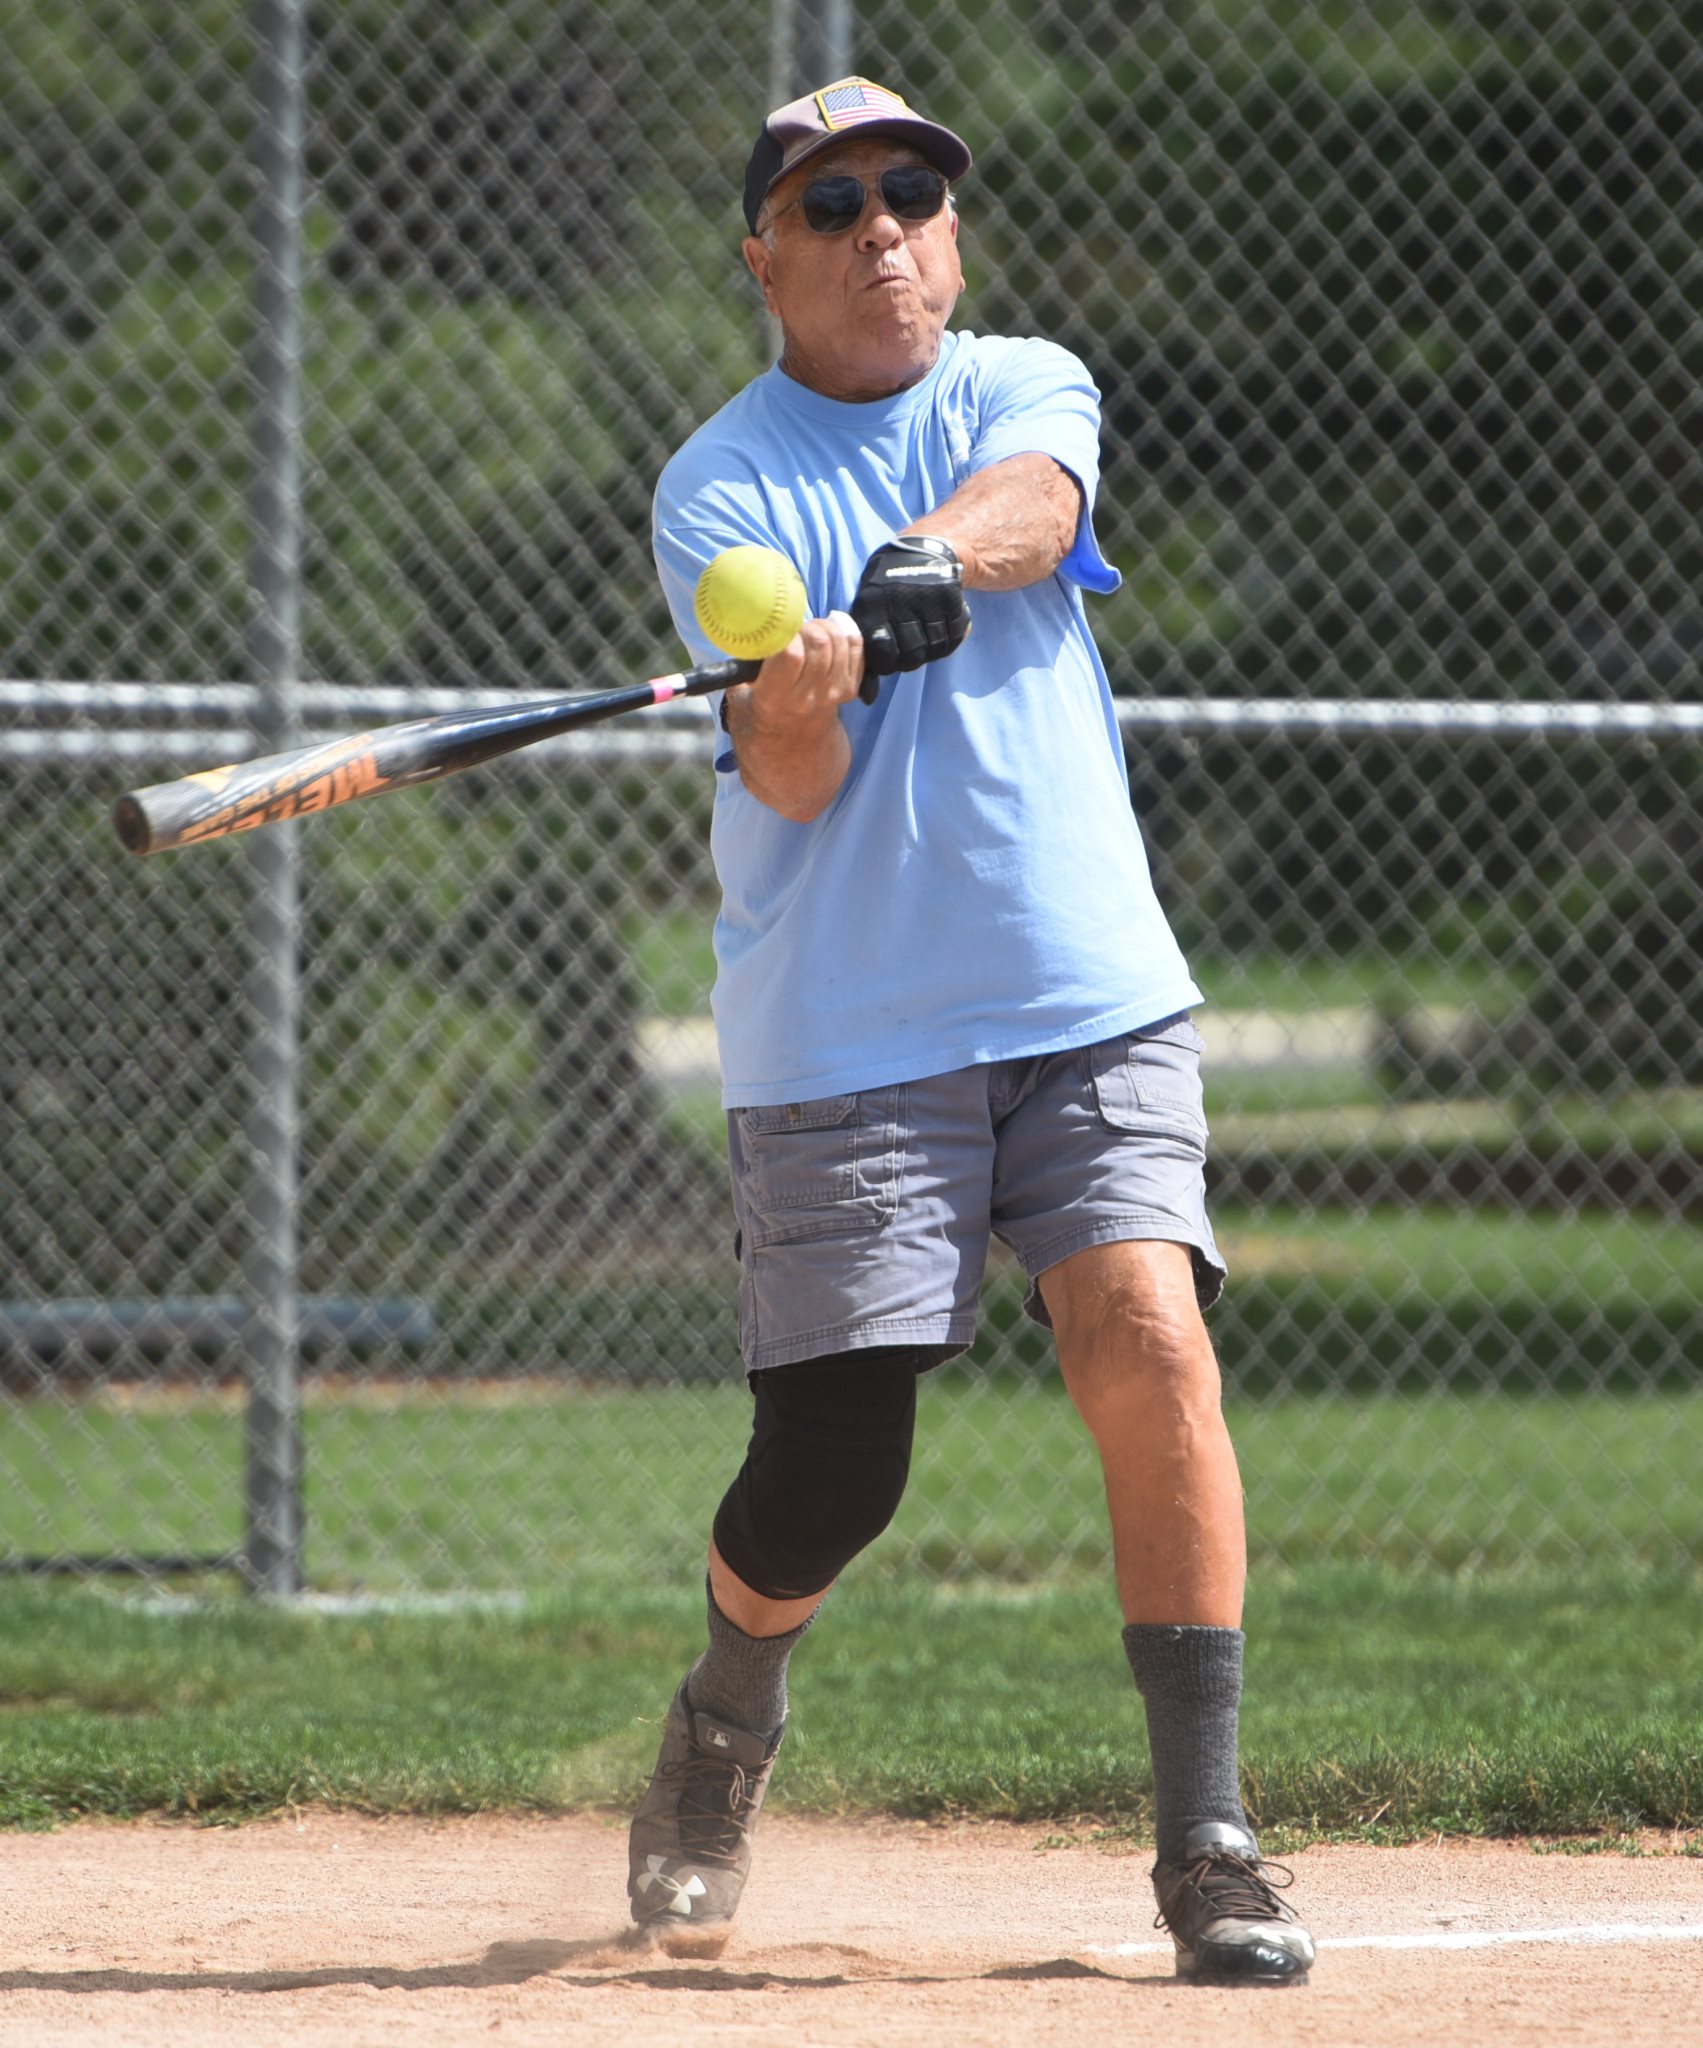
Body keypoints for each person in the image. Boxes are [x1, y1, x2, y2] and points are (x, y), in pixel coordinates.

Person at [627, 75, 1315, 1985]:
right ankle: (726, 1714)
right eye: (830, 203)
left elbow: (1038, 508)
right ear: (764, 257)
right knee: (836, 1471)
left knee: (1149, 1337)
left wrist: (915, 564)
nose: (881, 230)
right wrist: (801, 692)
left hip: (1084, 985)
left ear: (949, 233)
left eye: (912, 196)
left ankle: (1210, 1843)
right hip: (846, 1025)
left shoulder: (1021, 384)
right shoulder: (721, 486)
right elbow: (790, 778)